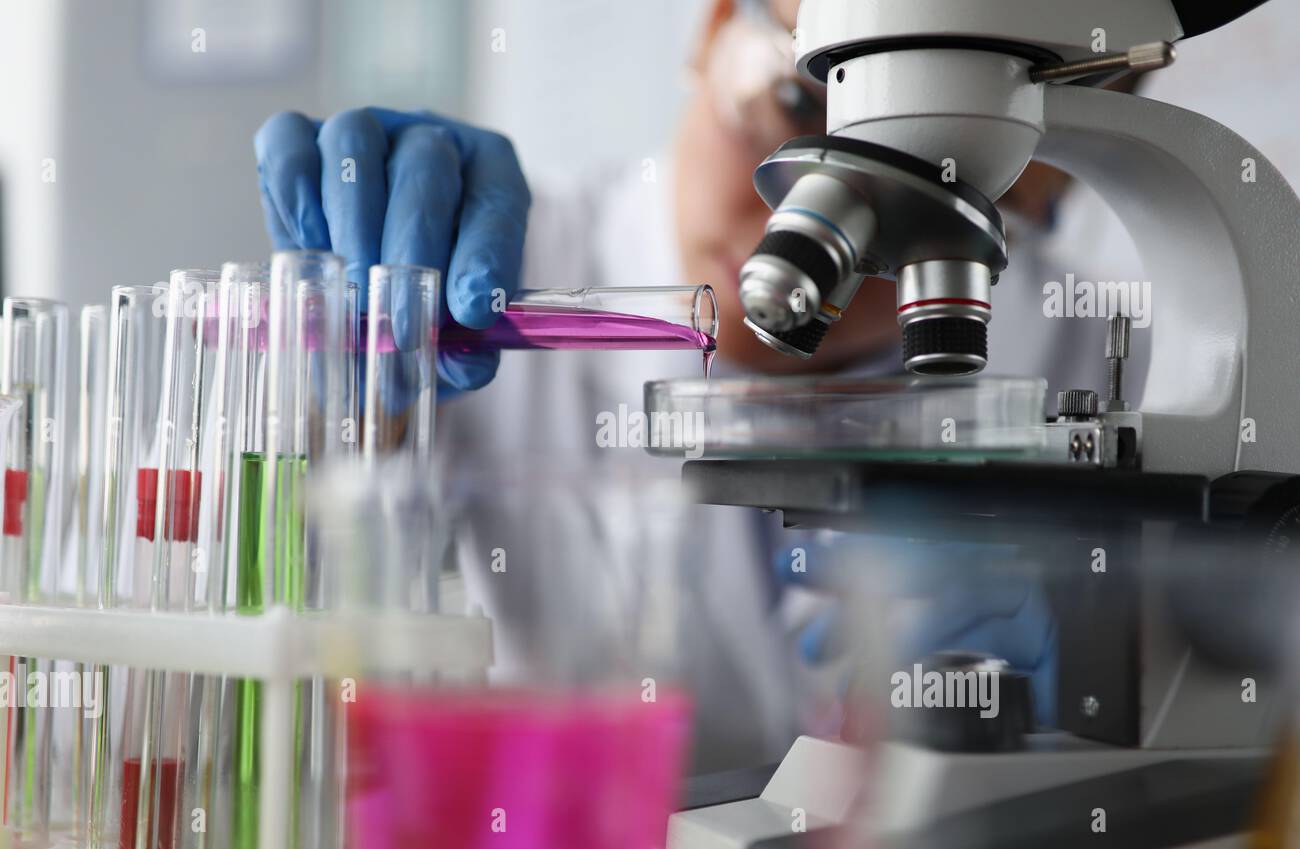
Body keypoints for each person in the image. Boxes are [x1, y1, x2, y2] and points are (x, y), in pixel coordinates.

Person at [252, 0, 1291, 769]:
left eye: (940, 189)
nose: (791, 221)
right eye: (793, 104)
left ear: (1046, 180)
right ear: (710, 28)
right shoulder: (496, 283)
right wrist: (335, 381)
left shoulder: (1116, 355)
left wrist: (1163, 647)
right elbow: (237, 642)